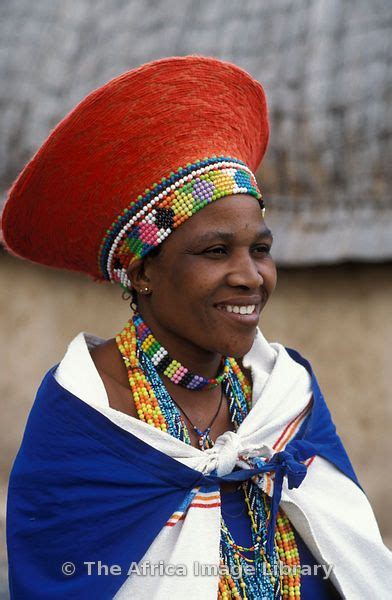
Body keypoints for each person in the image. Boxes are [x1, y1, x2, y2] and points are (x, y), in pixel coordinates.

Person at [2, 56, 391, 600]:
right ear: (142, 273)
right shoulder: (90, 415)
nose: (250, 276)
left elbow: (350, 562)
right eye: (215, 251)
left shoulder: (283, 397)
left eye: (260, 249)